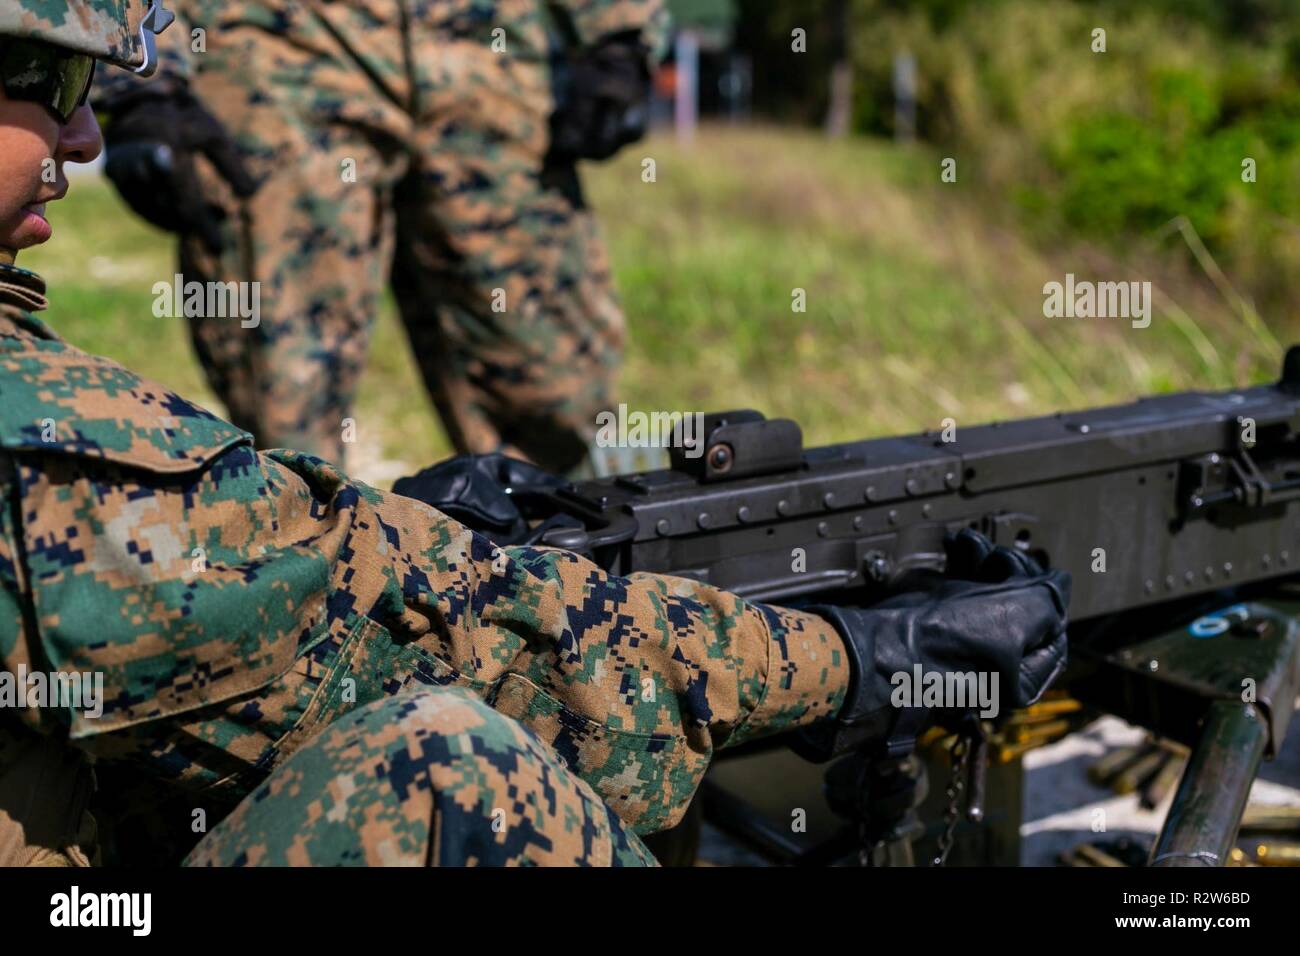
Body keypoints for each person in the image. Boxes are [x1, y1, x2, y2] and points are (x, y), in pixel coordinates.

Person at [0, 0, 1070, 867]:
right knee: (444, 757)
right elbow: (380, 624)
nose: (83, 134)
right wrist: (853, 658)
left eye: (90, 90)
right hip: (283, 68)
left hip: (476, 54)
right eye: (51, 84)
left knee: (548, 404)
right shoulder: (45, 444)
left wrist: (616, 32)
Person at [92, 0, 668, 474]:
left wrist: (621, 32)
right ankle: (315, 586)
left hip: (487, 57)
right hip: (277, 58)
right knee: (289, 406)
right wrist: (143, 79)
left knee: (557, 393)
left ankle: (568, 589)